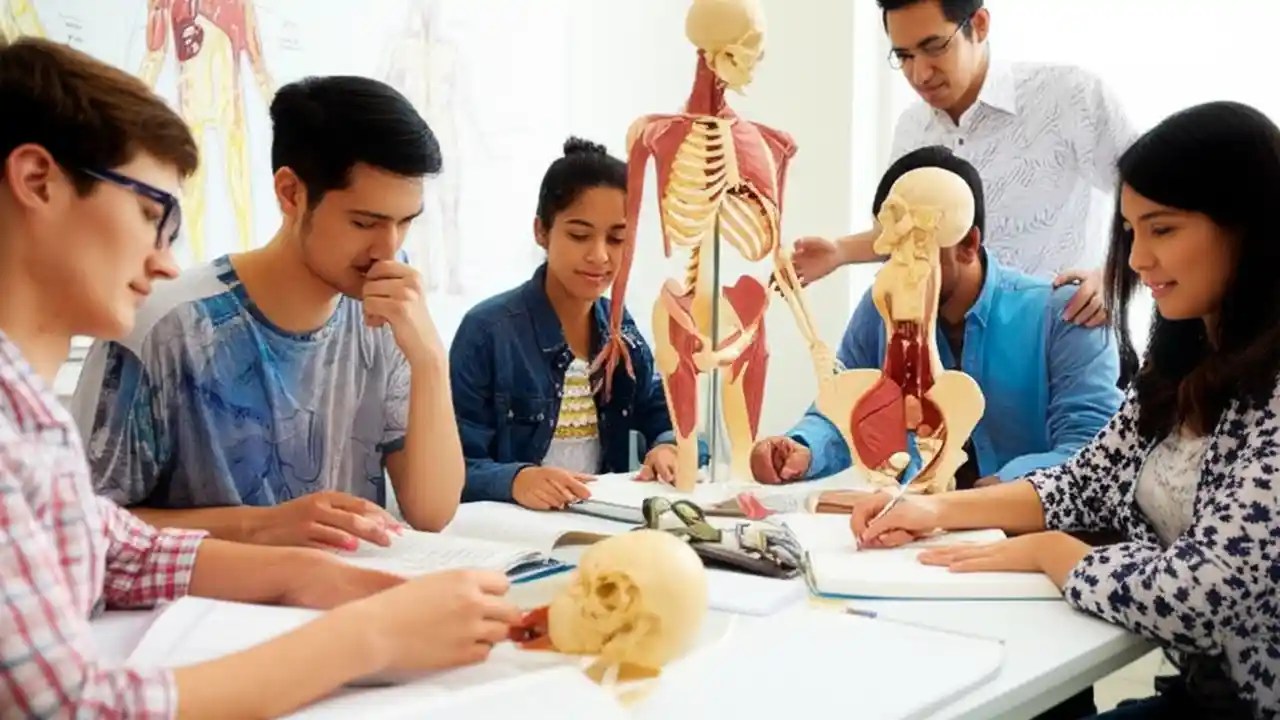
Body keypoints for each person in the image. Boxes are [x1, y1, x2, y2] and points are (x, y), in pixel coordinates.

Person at [0, 36, 520, 718]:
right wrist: (366, 633)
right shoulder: (160, 330)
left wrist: (323, 578)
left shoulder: (30, 416)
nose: (162, 261)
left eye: (405, 224)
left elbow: (117, 546)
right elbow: (67, 704)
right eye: (152, 216)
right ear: (38, 181)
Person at [848, 101, 1280, 718]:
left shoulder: (1057, 313)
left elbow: (1200, 596)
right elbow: (1087, 481)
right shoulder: (1183, 364)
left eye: (1162, 229)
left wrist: (1050, 551)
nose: (1136, 261)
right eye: (1130, 232)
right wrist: (933, 507)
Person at [70, 73, 465, 548]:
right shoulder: (167, 327)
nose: (389, 248)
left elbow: (432, 512)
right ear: (291, 193)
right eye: (365, 222)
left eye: (406, 223)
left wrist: (429, 358)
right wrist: (259, 528)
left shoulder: (387, 314)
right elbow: (82, 529)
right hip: (205, 613)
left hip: (350, 602)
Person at [751, 146, 1123, 490]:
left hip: (1036, 533)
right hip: (919, 530)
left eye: (920, 249)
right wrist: (802, 448)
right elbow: (846, 405)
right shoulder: (881, 309)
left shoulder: (1065, 315)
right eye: (891, 250)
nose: (901, 269)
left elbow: (1093, 447)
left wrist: (1001, 491)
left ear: (969, 244)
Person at [790, 0, 1138, 328]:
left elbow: (1156, 199)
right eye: (904, 56)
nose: (920, 74)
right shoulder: (912, 127)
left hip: (1064, 339)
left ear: (980, 24)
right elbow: (907, 232)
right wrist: (839, 252)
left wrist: (1112, 279)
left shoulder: (1068, 96)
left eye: (934, 47)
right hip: (950, 358)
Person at [451, 138, 695, 509]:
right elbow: (448, 470)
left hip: (595, 521)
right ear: (542, 231)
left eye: (617, 239)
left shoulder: (619, 326)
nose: (599, 256)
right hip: (509, 533)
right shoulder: (487, 331)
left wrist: (667, 446)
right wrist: (516, 479)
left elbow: (669, 415)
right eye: (579, 235)